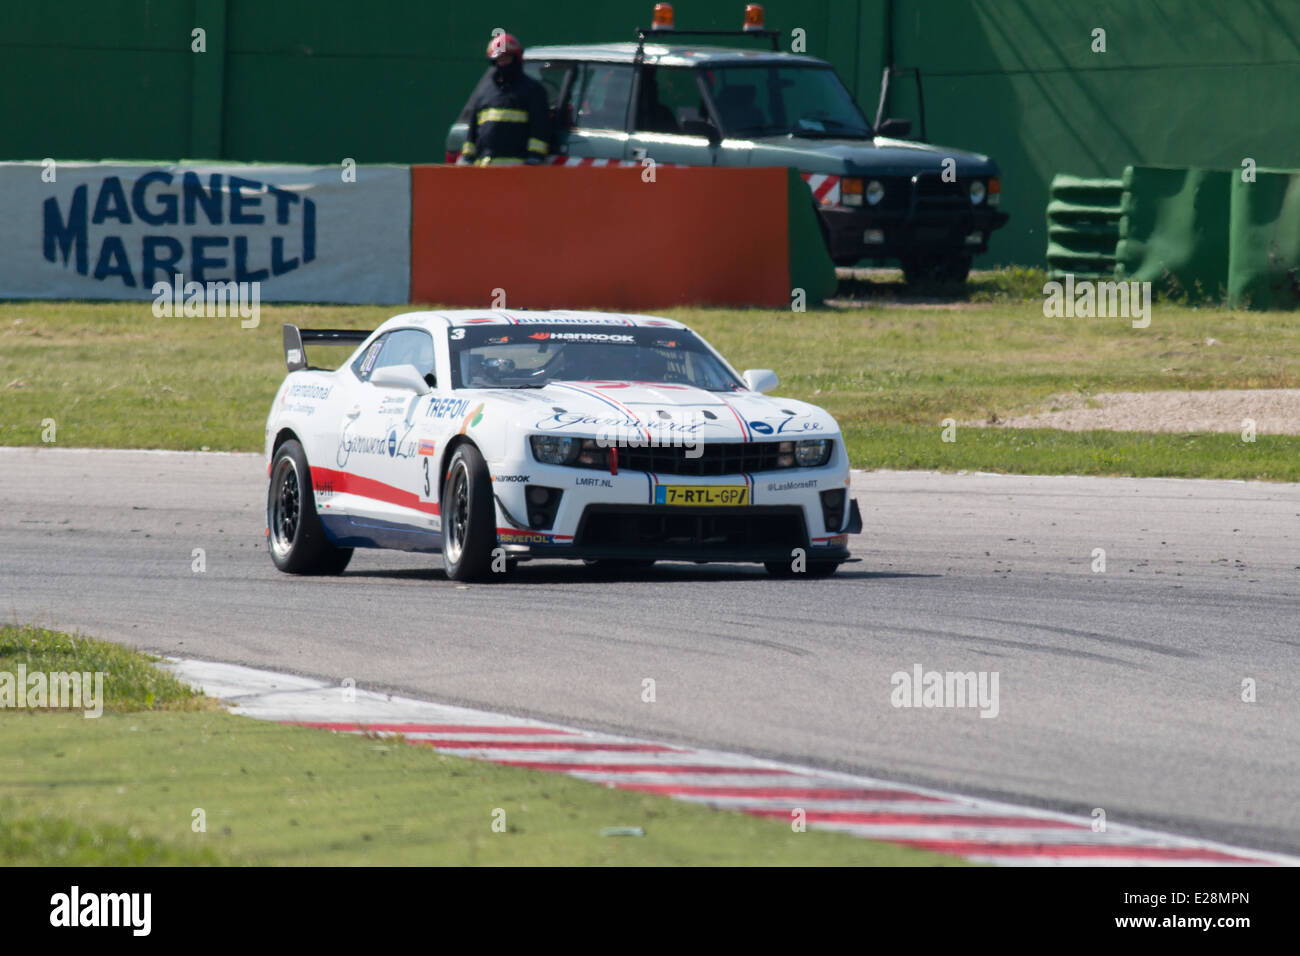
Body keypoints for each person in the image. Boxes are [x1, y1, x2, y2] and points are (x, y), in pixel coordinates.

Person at [457, 33, 550, 166]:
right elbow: (473, 128)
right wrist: (467, 156)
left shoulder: (532, 90)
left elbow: (540, 127)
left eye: (506, 58)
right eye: (499, 59)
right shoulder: (484, 90)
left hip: (517, 169)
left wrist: (535, 157)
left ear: (516, 59)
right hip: (484, 167)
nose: (502, 63)